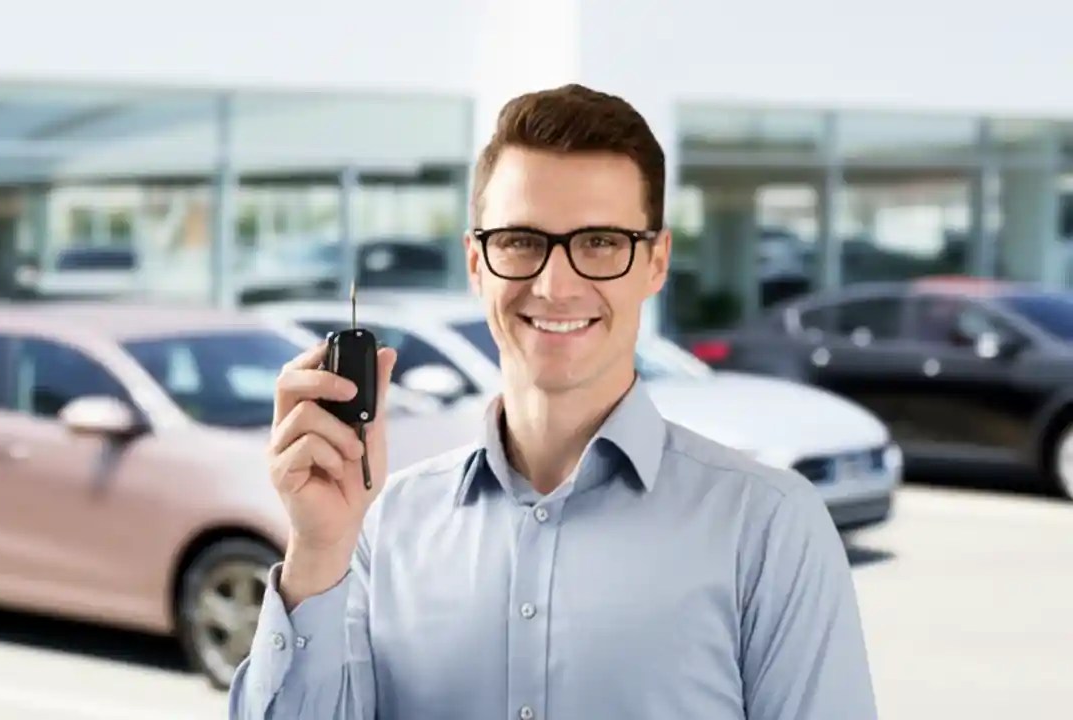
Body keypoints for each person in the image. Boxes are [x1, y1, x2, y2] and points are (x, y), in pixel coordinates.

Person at [230, 83, 878, 719]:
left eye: (599, 242)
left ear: (656, 262)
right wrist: (316, 554)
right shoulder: (380, 528)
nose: (555, 284)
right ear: (477, 263)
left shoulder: (768, 528)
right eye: (521, 241)